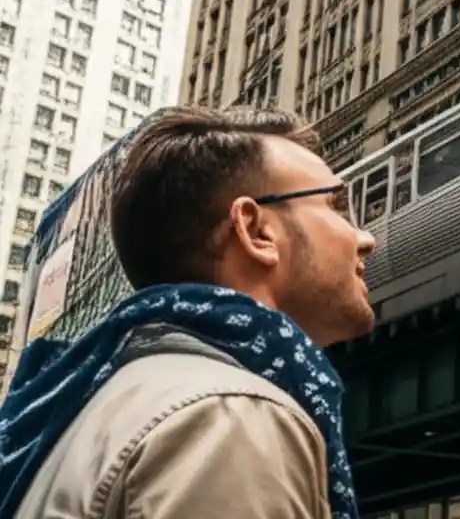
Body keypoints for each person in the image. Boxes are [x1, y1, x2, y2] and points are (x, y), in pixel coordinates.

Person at [0, 106, 377, 518]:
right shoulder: (230, 417)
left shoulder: (86, 407)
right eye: (336, 205)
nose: (365, 237)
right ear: (256, 232)